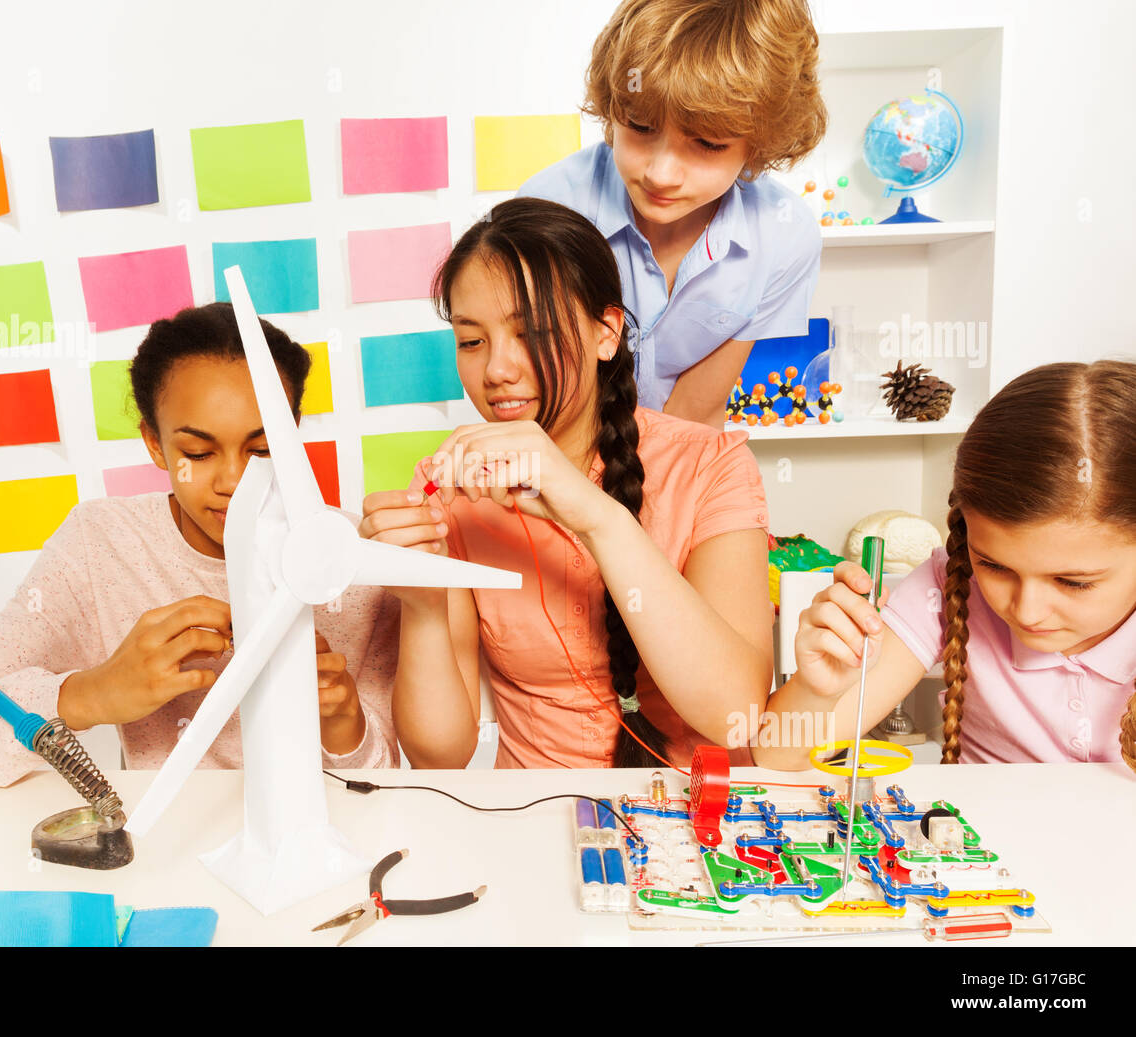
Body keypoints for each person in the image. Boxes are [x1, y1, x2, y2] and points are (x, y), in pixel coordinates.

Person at [0, 303, 399, 785]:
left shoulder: (352, 556)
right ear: (156, 444)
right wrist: (91, 695)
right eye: (198, 453)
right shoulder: (102, 545)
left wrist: (343, 723)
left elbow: (394, 790)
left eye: (264, 450)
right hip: (158, 856)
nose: (234, 480)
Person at [359, 197, 773, 769]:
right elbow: (439, 755)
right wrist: (424, 603)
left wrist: (594, 514)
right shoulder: (451, 487)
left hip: (696, 819)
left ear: (606, 333)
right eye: (471, 340)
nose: (497, 369)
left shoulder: (709, 465)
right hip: (532, 816)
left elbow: (736, 713)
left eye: (531, 332)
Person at [755, 361, 1136, 772]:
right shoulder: (946, 583)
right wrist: (820, 691)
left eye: (1073, 582)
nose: (1026, 612)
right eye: (994, 565)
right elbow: (778, 759)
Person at [519, 0, 827, 428]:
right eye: (641, 127)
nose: (660, 174)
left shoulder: (784, 236)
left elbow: (694, 415)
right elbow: (531, 393)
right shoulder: (546, 208)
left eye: (707, 143)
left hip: (684, 465)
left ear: (758, 145)